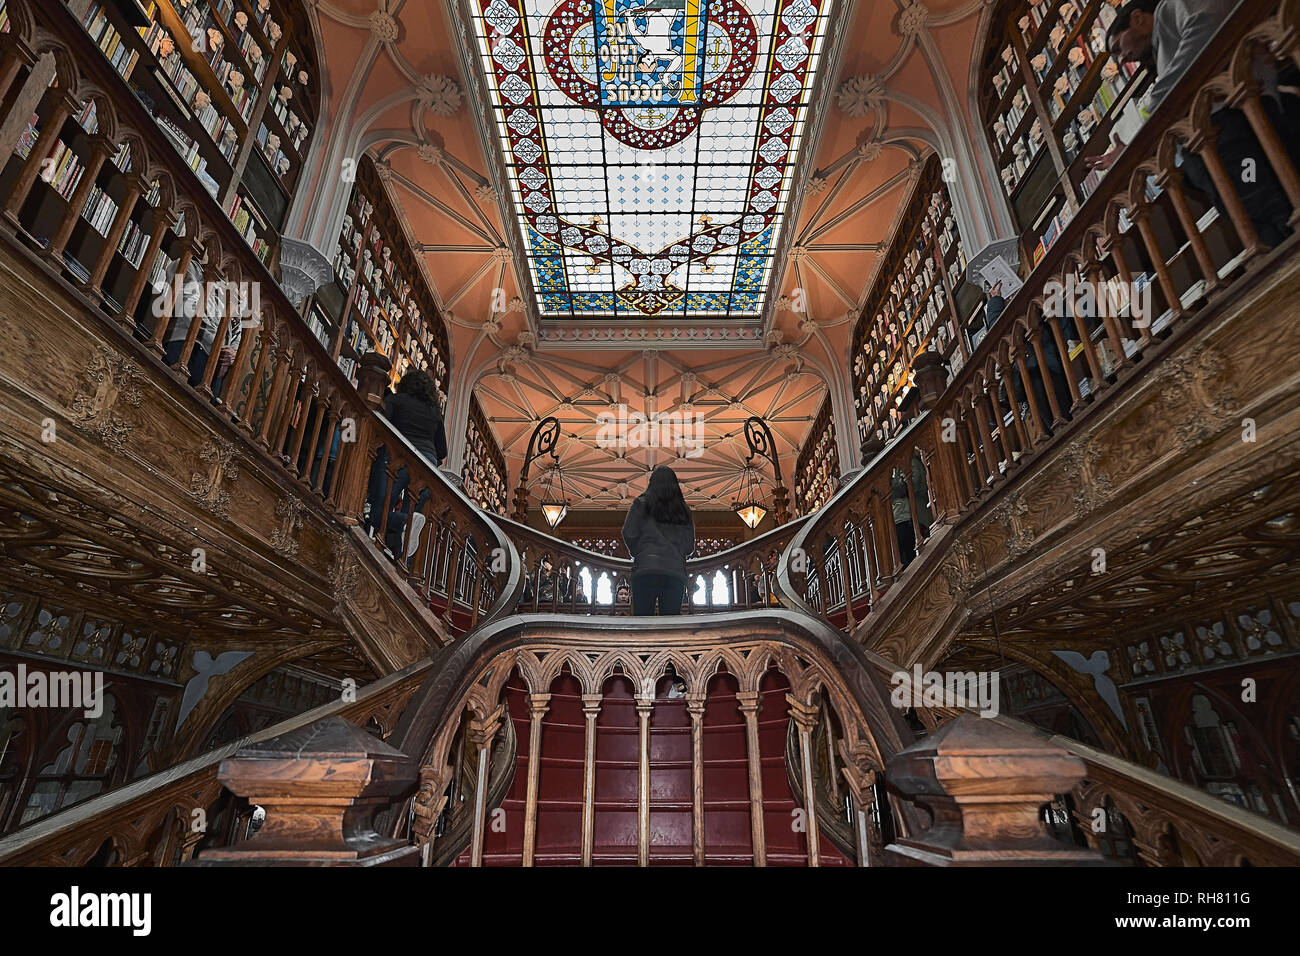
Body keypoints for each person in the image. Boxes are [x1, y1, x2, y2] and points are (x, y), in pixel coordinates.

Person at [1090, 0, 1300, 247]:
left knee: (1262, 196)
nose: (1123, 58)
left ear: (1137, 18)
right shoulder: (1163, 49)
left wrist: (1159, 100)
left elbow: (1208, 23)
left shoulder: (1171, 8)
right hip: (1213, 144)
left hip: (1233, 134)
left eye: (1118, 47)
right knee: (1250, 215)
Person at [365, 370, 448, 548]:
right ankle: (399, 544)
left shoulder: (396, 400)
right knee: (411, 518)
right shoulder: (435, 413)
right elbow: (442, 450)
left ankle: (403, 522)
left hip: (399, 456)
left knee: (379, 512)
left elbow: (380, 426)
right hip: (427, 465)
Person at [160, 258, 242, 400]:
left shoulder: (228, 291)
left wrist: (231, 354)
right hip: (185, 347)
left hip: (214, 367)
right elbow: (189, 311)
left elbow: (237, 328)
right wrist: (218, 347)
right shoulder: (189, 265)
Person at [622, 465, 695, 616]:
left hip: (645, 570)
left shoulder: (640, 503)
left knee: (642, 625)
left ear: (652, 482)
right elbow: (689, 546)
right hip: (675, 573)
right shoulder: (683, 510)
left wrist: (640, 552)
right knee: (670, 626)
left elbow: (629, 533)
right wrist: (677, 553)